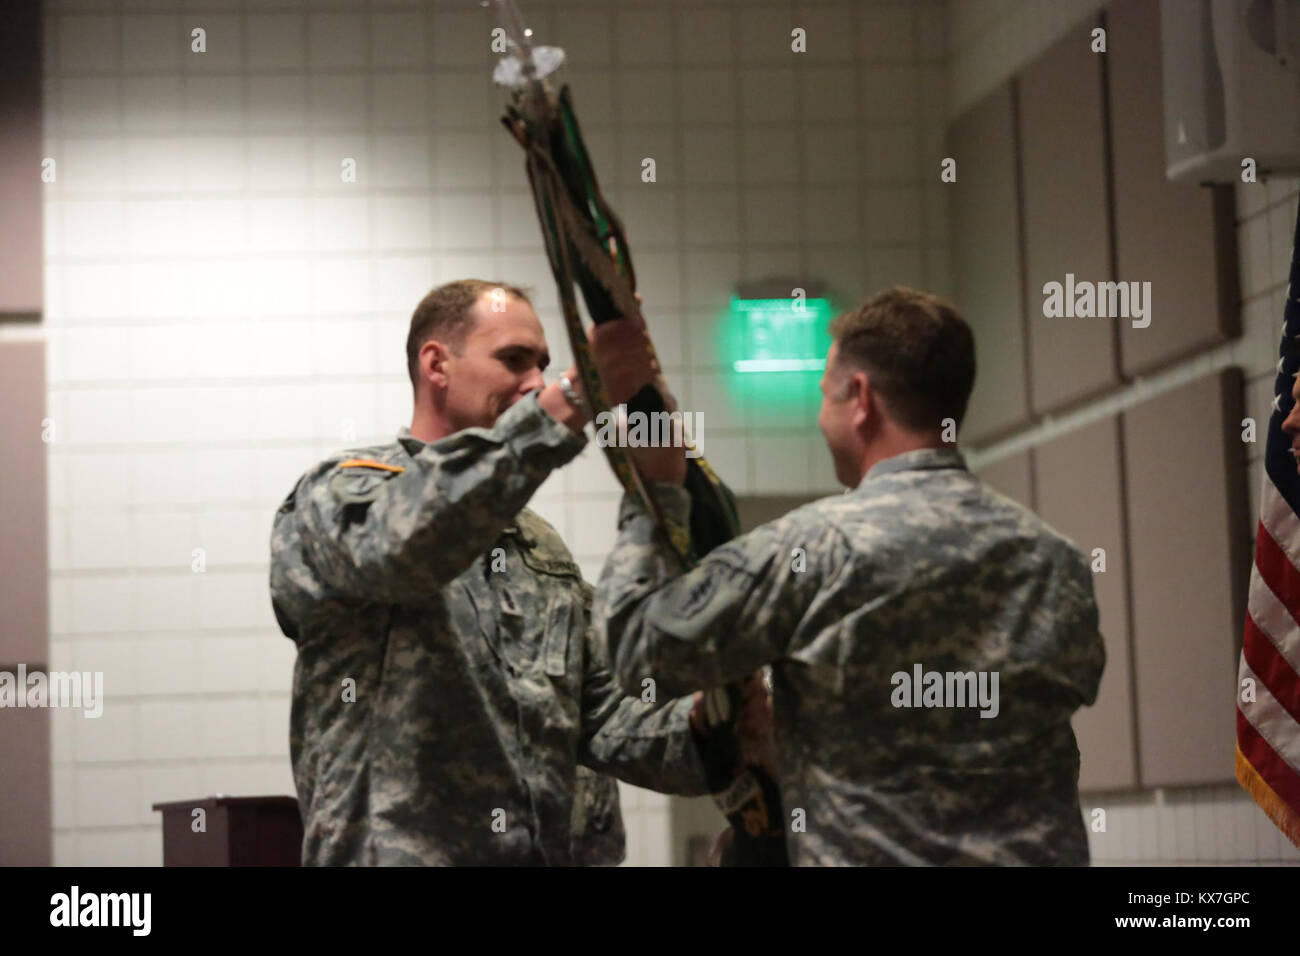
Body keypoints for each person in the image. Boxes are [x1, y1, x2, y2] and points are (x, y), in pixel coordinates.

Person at [594, 285, 1106, 866]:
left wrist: (658, 489)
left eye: (823, 395)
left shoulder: (815, 549)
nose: (820, 414)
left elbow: (638, 647)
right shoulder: (1056, 560)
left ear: (860, 399)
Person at [269, 279, 711, 865]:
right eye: (513, 360)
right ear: (437, 365)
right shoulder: (345, 493)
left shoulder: (537, 546)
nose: (535, 382)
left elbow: (608, 717)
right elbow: (403, 549)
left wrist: (718, 728)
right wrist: (574, 398)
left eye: (545, 366)